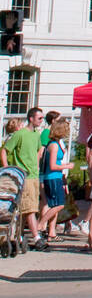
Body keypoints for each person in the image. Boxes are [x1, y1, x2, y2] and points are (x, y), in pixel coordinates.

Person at [1, 106, 46, 248]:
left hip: (34, 175)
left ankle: (18, 236)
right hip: (23, 176)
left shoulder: (36, 135)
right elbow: (5, 150)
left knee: (25, 209)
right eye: (39, 118)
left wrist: (37, 165)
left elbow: (38, 150)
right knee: (29, 208)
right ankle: (36, 237)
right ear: (31, 118)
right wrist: (8, 168)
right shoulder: (19, 134)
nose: (41, 120)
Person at [37, 116, 71, 242]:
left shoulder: (54, 144)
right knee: (59, 205)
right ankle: (40, 224)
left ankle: (49, 229)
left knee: (54, 204)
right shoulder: (54, 145)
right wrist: (66, 165)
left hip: (54, 177)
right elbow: (52, 165)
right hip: (52, 177)